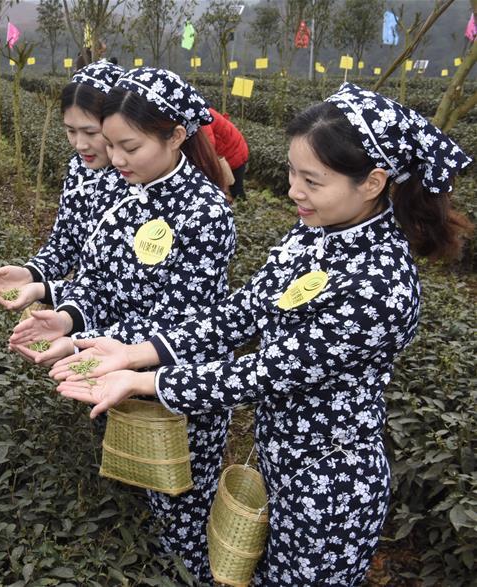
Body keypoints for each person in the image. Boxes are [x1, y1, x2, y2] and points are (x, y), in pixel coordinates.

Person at [52, 82, 472, 584]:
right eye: (293, 172)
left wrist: (146, 382)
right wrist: (133, 352)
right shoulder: (313, 236)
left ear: (373, 182)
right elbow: (240, 314)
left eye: (312, 181)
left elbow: (268, 371)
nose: (294, 190)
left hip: (328, 482)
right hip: (277, 455)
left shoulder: (379, 282)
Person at [9, 67, 236, 583]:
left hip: (173, 388)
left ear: (176, 136)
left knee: (181, 510)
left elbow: (188, 321)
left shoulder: (204, 213)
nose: (115, 159)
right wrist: (64, 319)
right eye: (110, 145)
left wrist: (98, 349)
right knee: (141, 508)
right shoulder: (126, 201)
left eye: (128, 146)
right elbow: (96, 283)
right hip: (122, 371)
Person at [0, 60, 124, 313]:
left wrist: (46, 292)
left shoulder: (140, 181)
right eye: (71, 131)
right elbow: (65, 239)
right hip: (83, 311)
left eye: (90, 132)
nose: (80, 144)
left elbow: (118, 288)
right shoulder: (80, 167)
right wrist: (30, 273)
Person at [200, 106, 249, 200]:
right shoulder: (200, 112)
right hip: (230, 150)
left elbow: (208, 145)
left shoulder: (201, 117)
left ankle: (242, 208)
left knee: (236, 190)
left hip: (235, 152)